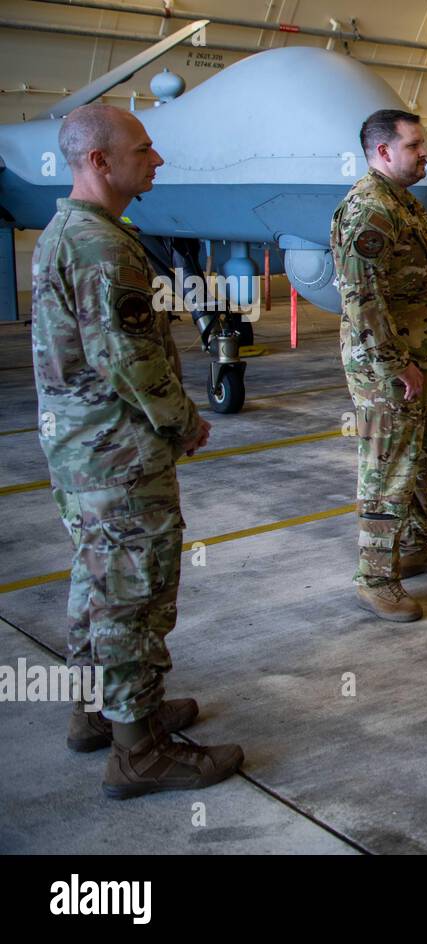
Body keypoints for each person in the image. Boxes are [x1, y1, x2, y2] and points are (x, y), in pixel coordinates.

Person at [32, 102, 243, 797]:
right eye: (144, 150)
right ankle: (140, 752)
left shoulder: (65, 231)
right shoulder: (102, 245)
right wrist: (182, 419)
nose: (155, 161)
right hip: (117, 452)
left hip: (81, 449)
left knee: (98, 580)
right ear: (100, 161)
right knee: (134, 591)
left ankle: (104, 712)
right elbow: (123, 356)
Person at [330, 109, 427, 623]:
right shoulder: (369, 210)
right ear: (383, 152)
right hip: (388, 369)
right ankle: (376, 577)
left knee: (419, 456)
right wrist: (395, 365)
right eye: (414, 145)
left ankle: (411, 545)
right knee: (388, 466)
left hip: (413, 360)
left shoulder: (400, 202)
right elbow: (361, 300)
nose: (423, 153)